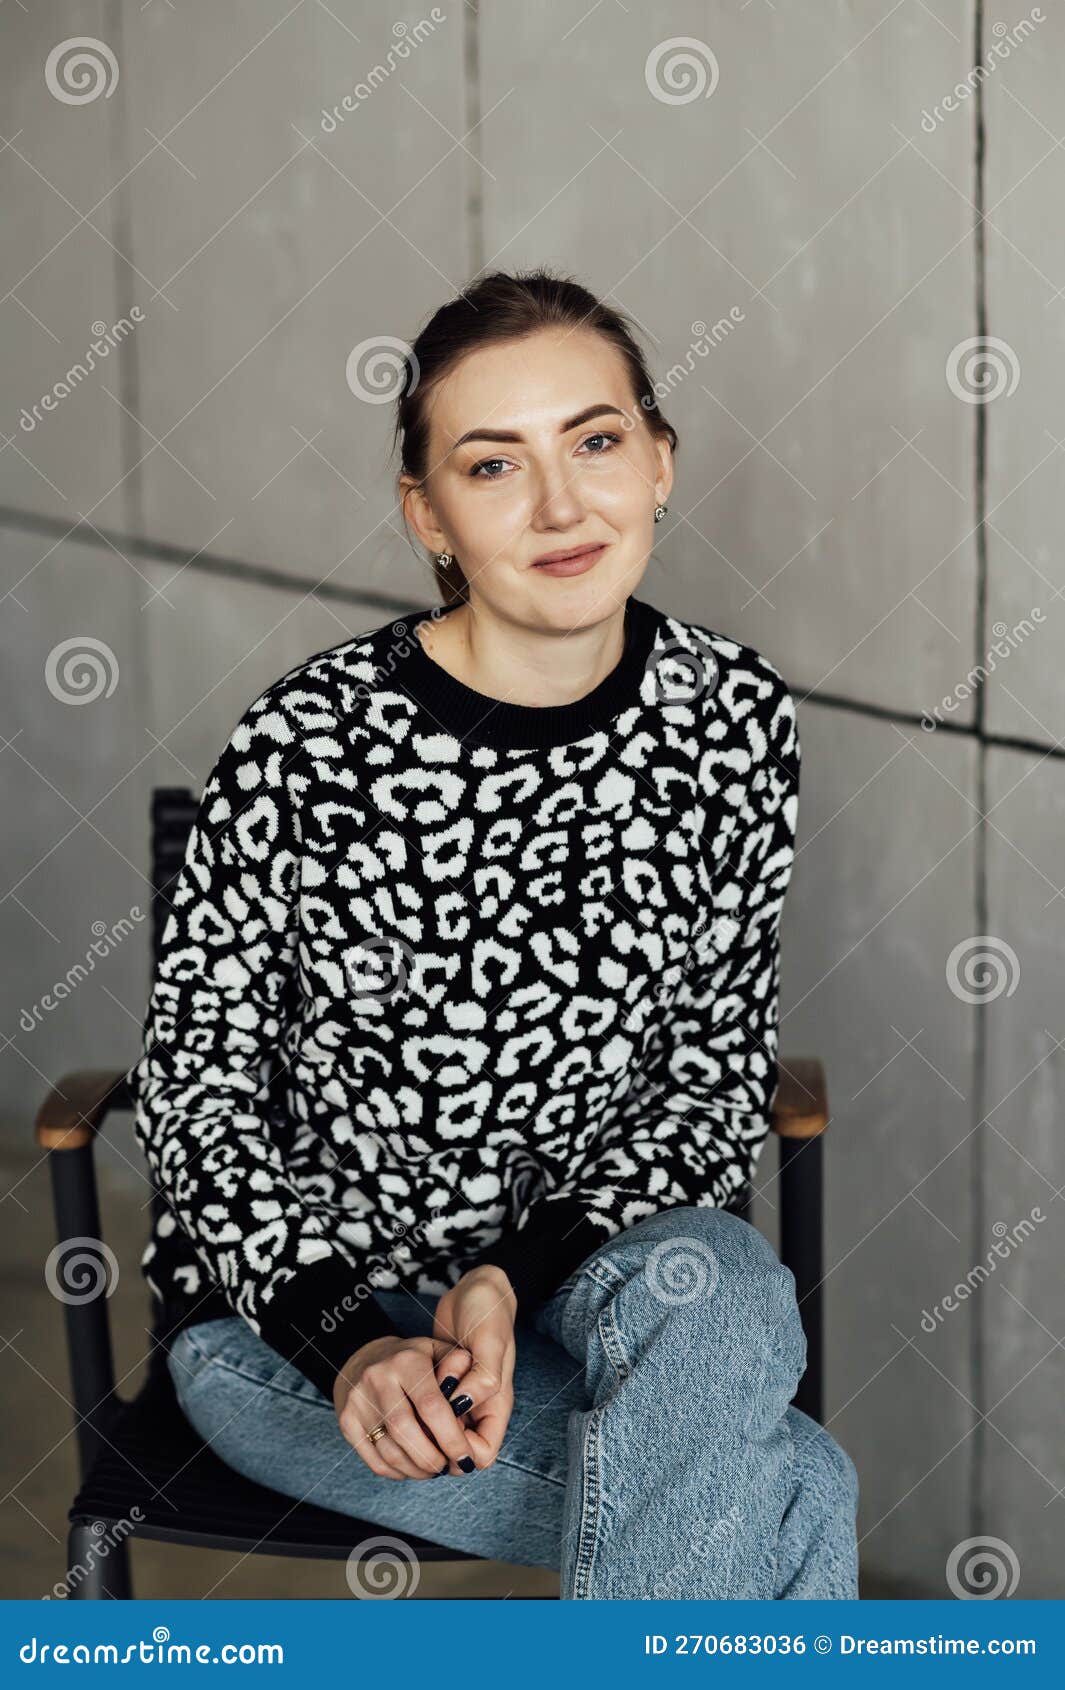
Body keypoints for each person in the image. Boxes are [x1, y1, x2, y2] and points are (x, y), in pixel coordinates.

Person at [128, 268, 859, 1599]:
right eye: (490, 464)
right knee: (795, 1491)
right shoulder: (310, 742)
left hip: (582, 1292)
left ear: (659, 463)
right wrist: (344, 1335)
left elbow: (706, 1074)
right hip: (296, 1331)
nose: (560, 504)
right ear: (429, 516)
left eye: (594, 440)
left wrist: (512, 1282)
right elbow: (195, 1092)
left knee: (726, 1278)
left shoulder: (732, 718)